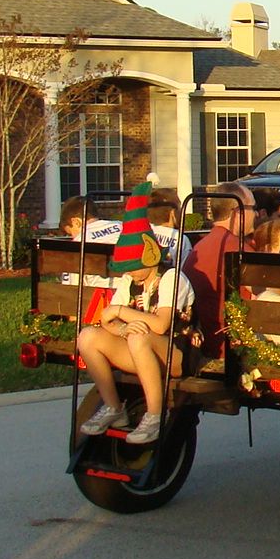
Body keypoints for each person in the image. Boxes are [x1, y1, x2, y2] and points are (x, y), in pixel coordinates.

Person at [76, 185, 195, 447]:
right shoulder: (129, 282)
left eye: (134, 267)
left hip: (175, 352)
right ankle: (113, 406)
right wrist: (120, 328)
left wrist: (121, 313)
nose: (130, 273)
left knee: (140, 337)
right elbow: (106, 320)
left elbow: (162, 324)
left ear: (151, 257)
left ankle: (155, 414)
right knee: (87, 337)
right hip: (139, 350)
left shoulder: (171, 278)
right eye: (126, 268)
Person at [186, 181, 255, 349]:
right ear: (238, 212)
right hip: (232, 346)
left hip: (203, 343)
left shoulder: (199, 248)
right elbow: (263, 293)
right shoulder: (238, 249)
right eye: (253, 208)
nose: (257, 214)